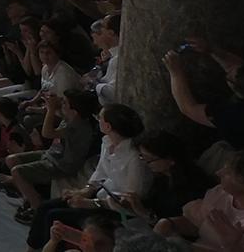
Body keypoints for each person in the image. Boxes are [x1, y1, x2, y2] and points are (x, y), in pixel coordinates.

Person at [24, 103, 151, 249]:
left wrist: (91, 203)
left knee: (55, 216)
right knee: (45, 207)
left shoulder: (134, 157)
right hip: (101, 199)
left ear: (108, 126)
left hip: (119, 211)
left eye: (100, 118)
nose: (98, 120)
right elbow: (100, 173)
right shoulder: (107, 142)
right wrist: (84, 191)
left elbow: (129, 200)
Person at [5, 89, 101, 222]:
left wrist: (50, 109)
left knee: (17, 172)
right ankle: (29, 197)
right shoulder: (73, 118)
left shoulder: (78, 127)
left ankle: (36, 208)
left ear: (74, 111)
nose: (62, 104)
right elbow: (60, 113)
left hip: (61, 164)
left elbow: (47, 133)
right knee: (12, 160)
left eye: (65, 103)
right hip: (52, 155)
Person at [156, 150, 244, 251]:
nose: (218, 172)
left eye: (228, 173)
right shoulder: (221, 193)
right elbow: (196, 224)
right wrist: (168, 223)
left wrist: (232, 246)